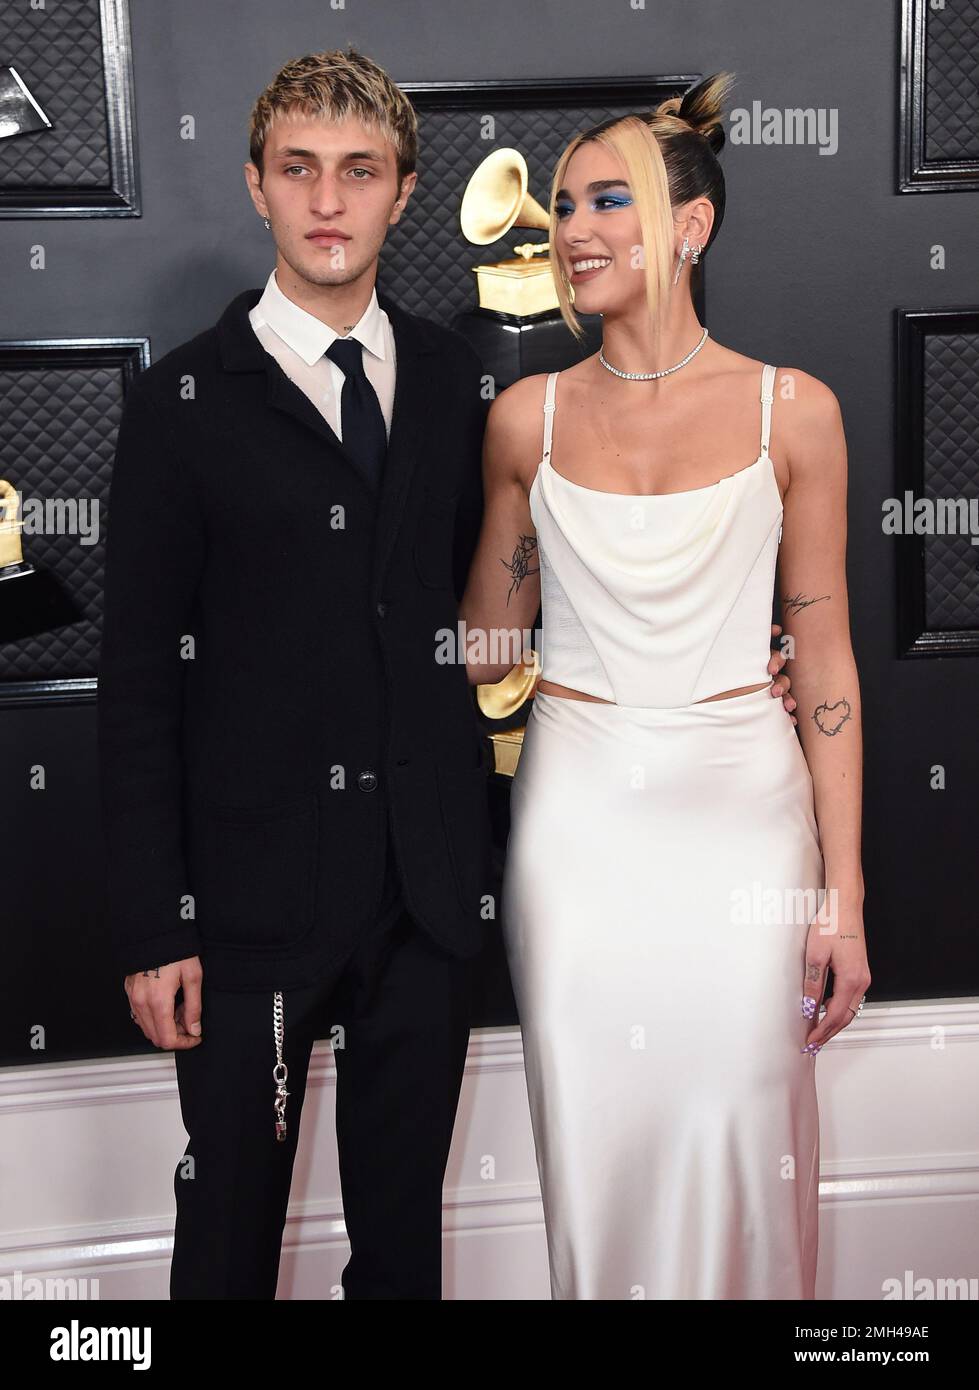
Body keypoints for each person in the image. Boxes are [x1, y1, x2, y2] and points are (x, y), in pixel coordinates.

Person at [460, 73, 870, 1299]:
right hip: (580, 817)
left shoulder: (791, 411)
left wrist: (841, 893)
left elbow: (831, 654)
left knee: (745, 1134)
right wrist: (501, 477)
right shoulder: (523, 417)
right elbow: (489, 648)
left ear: (689, 226)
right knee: (597, 1139)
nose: (571, 229)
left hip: (742, 811)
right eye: (560, 207)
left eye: (606, 202)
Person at [97, 47, 495, 1299]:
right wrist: (157, 922)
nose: (329, 200)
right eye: (300, 170)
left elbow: (493, 607)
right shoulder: (181, 404)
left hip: (422, 900)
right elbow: (138, 682)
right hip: (245, 907)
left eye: (359, 172)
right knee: (225, 1249)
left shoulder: (450, 383)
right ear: (258, 185)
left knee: (402, 1249)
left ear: (403, 191)